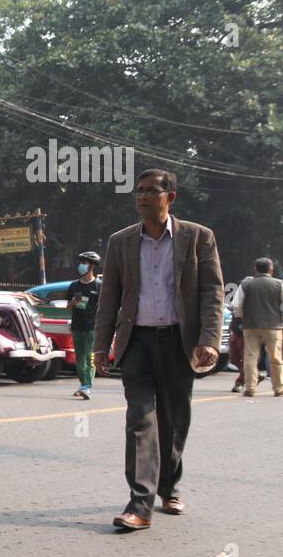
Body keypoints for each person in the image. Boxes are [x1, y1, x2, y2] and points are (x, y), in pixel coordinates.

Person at [93, 169, 224, 532]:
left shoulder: (198, 238)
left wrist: (209, 340)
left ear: (171, 197)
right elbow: (110, 298)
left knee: (174, 419)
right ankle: (140, 504)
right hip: (136, 342)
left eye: (152, 191)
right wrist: (102, 345)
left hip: (179, 342)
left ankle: (169, 486)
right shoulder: (120, 241)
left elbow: (213, 293)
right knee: (140, 417)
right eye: (139, 191)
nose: (143, 197)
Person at [231, 257, 283, 397]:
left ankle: (250, 388)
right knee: (276, 358)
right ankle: (278, 388)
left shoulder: (246, 284)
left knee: (250, 357)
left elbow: (237, 305)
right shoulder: (279, 284)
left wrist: (243, 317)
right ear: (271, 270)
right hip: (273, 326)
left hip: (250, 326)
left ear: (255, 269)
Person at [67, 251, 102, 399]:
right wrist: (73, 303)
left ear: (92, 265)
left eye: (85, 263)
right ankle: (84, 385)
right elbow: (68, 307)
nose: (81, 265)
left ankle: (87, 387)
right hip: (77, 327)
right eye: (81, 262)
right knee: (79, 359)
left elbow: (104, 307)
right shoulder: (74, 285)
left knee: (89, 357)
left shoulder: (99, 285)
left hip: (92, 327)